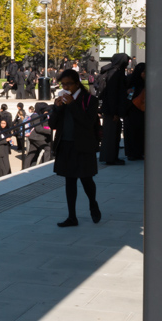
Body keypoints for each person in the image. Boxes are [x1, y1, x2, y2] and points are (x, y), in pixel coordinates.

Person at [49, 68, 101, 226]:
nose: (65, 88)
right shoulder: (63, 101)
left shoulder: (89, 100)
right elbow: (52, 125)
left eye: (68, 84)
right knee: (69, 182)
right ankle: (72, 216)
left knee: (86, 179)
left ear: (77, 83)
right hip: (65, 145)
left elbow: (87, 123)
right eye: (63, 84)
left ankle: (93, 204)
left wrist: (72, 105)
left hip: (83, 146)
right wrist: (57, 109)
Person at [123, 63, 146, 161]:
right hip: (132, 111)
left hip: (140, 112)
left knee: (140, 133)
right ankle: (132, 153)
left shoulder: (143, 82)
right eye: (144, 72)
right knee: (132, 132)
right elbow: (128, 96)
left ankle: (139, 152)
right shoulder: (131, 82)